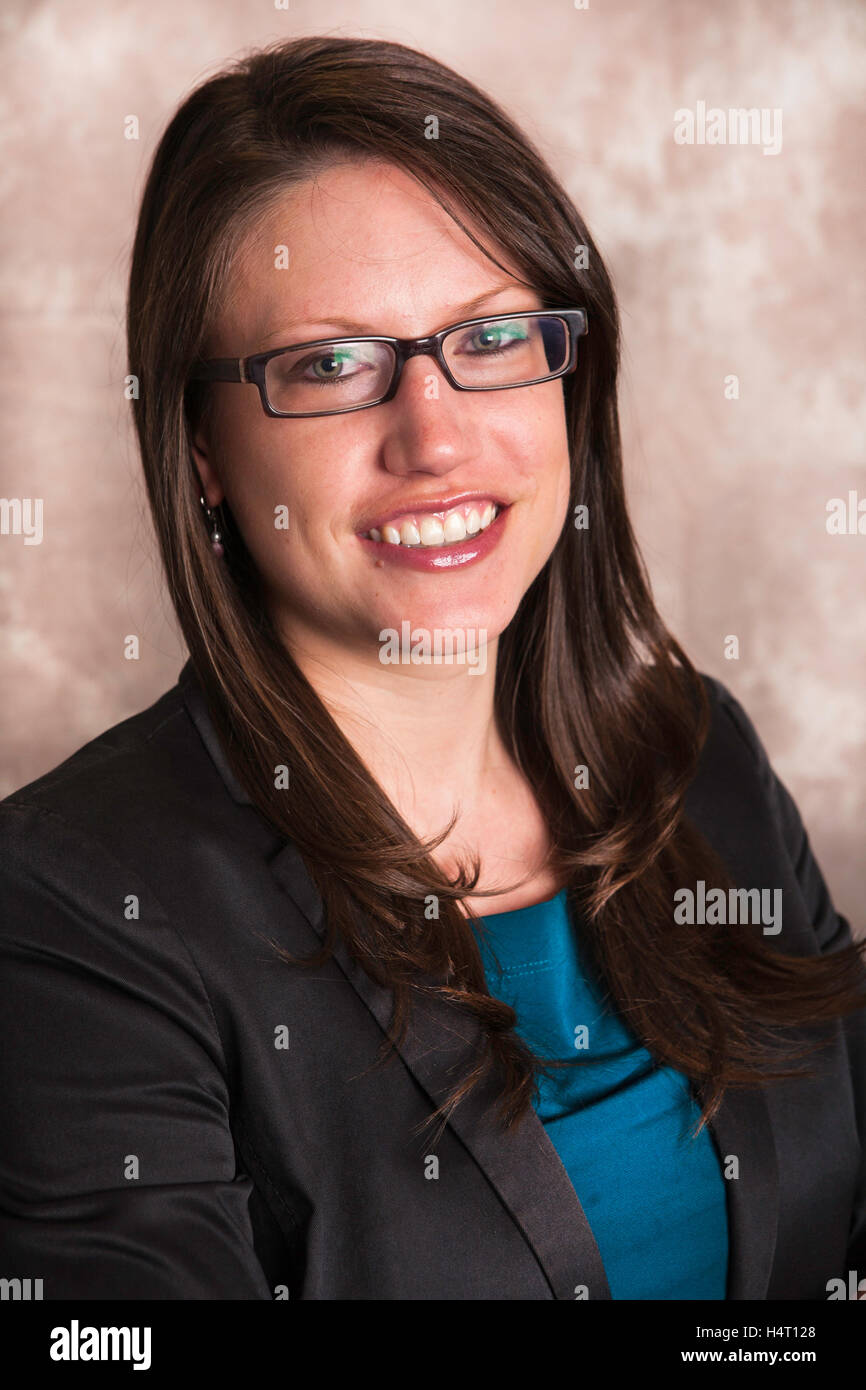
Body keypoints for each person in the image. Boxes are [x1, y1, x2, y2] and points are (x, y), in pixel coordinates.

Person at [0, 34, 864, 1302]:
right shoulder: (72, 909)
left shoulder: (691, 753)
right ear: (200, 453)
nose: (436, 435)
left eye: (491, 336)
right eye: (332, 364)